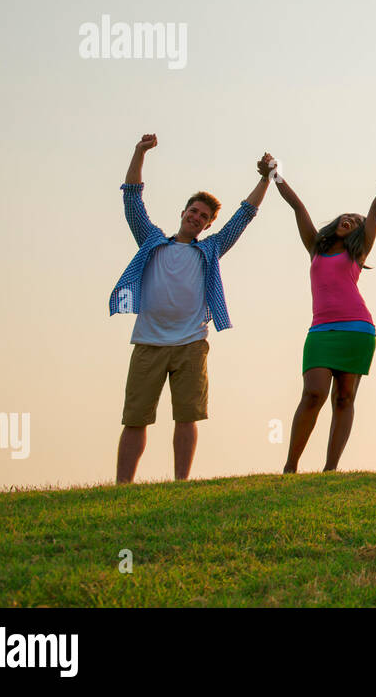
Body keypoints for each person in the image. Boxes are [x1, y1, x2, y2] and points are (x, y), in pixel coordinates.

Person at [110, 134, 271, 484]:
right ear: (182, 213)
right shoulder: (153, 242)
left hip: (191, 343)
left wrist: (265, 178)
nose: (197, 218)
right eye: (193, 211)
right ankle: (122, 487)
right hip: (149, 343)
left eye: (204, 216)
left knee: (187, 416)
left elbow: (244, 217)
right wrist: (139, 152)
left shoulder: (210, 249)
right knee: (135, 418)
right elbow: (132, 200)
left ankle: (181, 482)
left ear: (209, 224)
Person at [272, 146, 376, 473]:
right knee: (313, 394)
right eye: (347, 216)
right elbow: (297, 205)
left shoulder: (357, 254)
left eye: (358, 221)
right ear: (336, 222)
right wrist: (274, 173)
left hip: (357, 331)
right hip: (320, 332)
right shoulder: (314, 248)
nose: (352, 219)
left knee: (344, 399)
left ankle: (330, 469)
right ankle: (291, 465)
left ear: (361, 232)